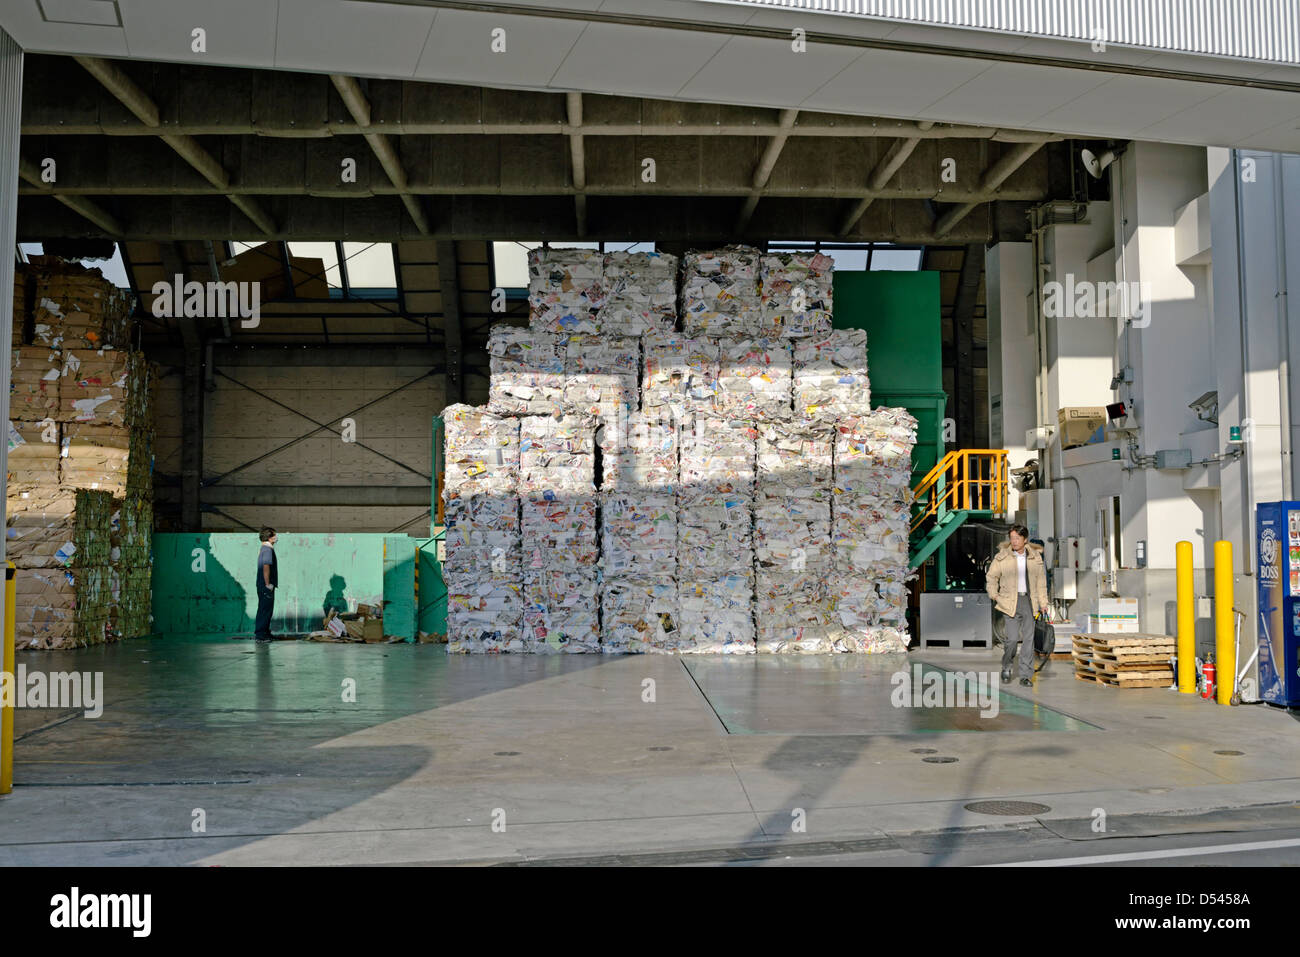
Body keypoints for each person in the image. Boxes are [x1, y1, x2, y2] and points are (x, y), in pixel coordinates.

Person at [985, 524, 1049, 686]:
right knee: (1012, 639)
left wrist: (1043, 602)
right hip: (1009, 602)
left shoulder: (1035, 558)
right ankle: (1006, 666)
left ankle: (1025, 675)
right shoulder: (1002, 557)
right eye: (1012, 538)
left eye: (1017, 538)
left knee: (1029, 640)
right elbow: (991, 577)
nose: (1014, 541)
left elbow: (1041, 582)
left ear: (1025, 539)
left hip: (1029, 602)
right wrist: (994, 595)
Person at [254, 527, 279, 641]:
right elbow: (266, 566)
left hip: (262, 585)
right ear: (269, 537)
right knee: (265, 610)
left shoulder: (264, 548)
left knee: (265, 609)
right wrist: (268, 584)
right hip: (265, 586)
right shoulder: (268, 549)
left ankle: (264, 632)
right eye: (274, 535)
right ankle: (261, 634)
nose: (276, 537)